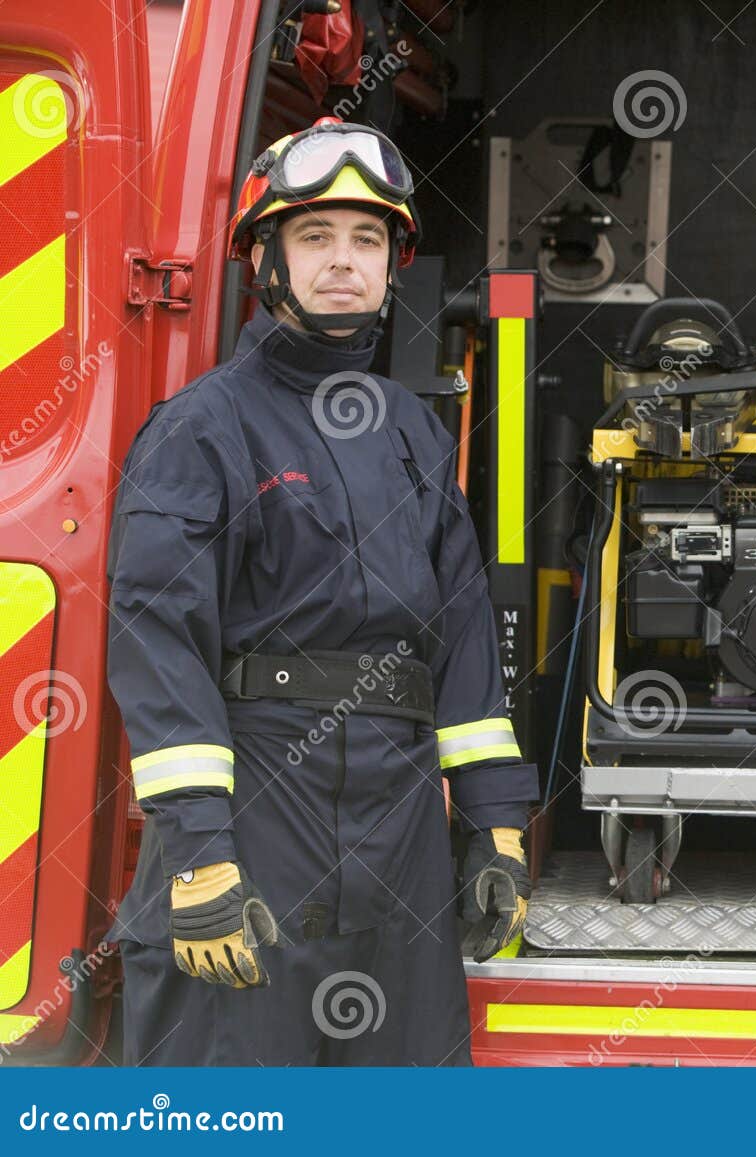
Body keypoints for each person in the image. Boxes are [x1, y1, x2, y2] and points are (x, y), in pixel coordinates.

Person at [106, 117, 538, 1065]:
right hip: (260, 814)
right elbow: (157, 644)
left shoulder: (417, 438)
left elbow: (464, 638)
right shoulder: (200, 431)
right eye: (315, 237)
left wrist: (498, 821)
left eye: (368, 240)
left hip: (401, 833)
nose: (344, 262)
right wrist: (200, 853)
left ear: (393, 265)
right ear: (264, 260)